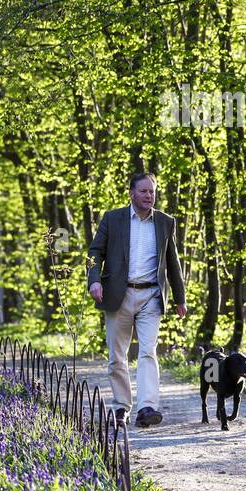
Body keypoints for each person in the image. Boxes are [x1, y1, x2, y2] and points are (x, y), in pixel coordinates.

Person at [87, 171, 186, 427]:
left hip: (151, 296)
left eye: (152, 191)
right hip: (118, 295)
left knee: (147, 352)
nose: (148, 196)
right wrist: (94, 280)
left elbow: (172, 262)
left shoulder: (165, 222)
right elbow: (95, 252)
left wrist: (179, 298)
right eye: (143, 191)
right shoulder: (113, 219)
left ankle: (147, 407)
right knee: (117, 356)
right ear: (131, 193)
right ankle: (121, 407)